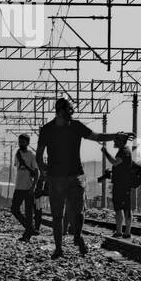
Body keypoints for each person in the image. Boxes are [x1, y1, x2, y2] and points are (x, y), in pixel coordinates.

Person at [37, 99, 128, 259]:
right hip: (57, 178)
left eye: (70, 112)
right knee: (57, 215)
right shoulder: (47, 130)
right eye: (67, 112)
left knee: (78, 212)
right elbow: (39, 155)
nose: (70, 115)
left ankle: (77, 237)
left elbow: (97, 136)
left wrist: (116, 135)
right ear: (59, 111)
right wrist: (43, 170)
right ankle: (59, 248)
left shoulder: (75, 126)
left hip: (75, 176)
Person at [101, 133, 135, 239]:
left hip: (122, 185)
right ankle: (121, 231)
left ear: (121, 141)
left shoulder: (124, 151)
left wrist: (105, 152)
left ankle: (125, 232)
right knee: (121, 208)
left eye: (116, 140)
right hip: (121, 184)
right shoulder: (124, 151)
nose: (114, 142)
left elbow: (115, 162)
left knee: (124, 208)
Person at [10, 133, 41, 241]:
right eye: (19, 142)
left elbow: (37, 172)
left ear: (27, 143)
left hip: (28, 187)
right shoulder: (17, 154)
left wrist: (33, 187)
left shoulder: (32, 155)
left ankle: (27, 236)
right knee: (14, 209)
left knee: (29, 213)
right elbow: (17, 168)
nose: (20, 144)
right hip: (18, 186)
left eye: (23, 142)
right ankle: (30, 228)